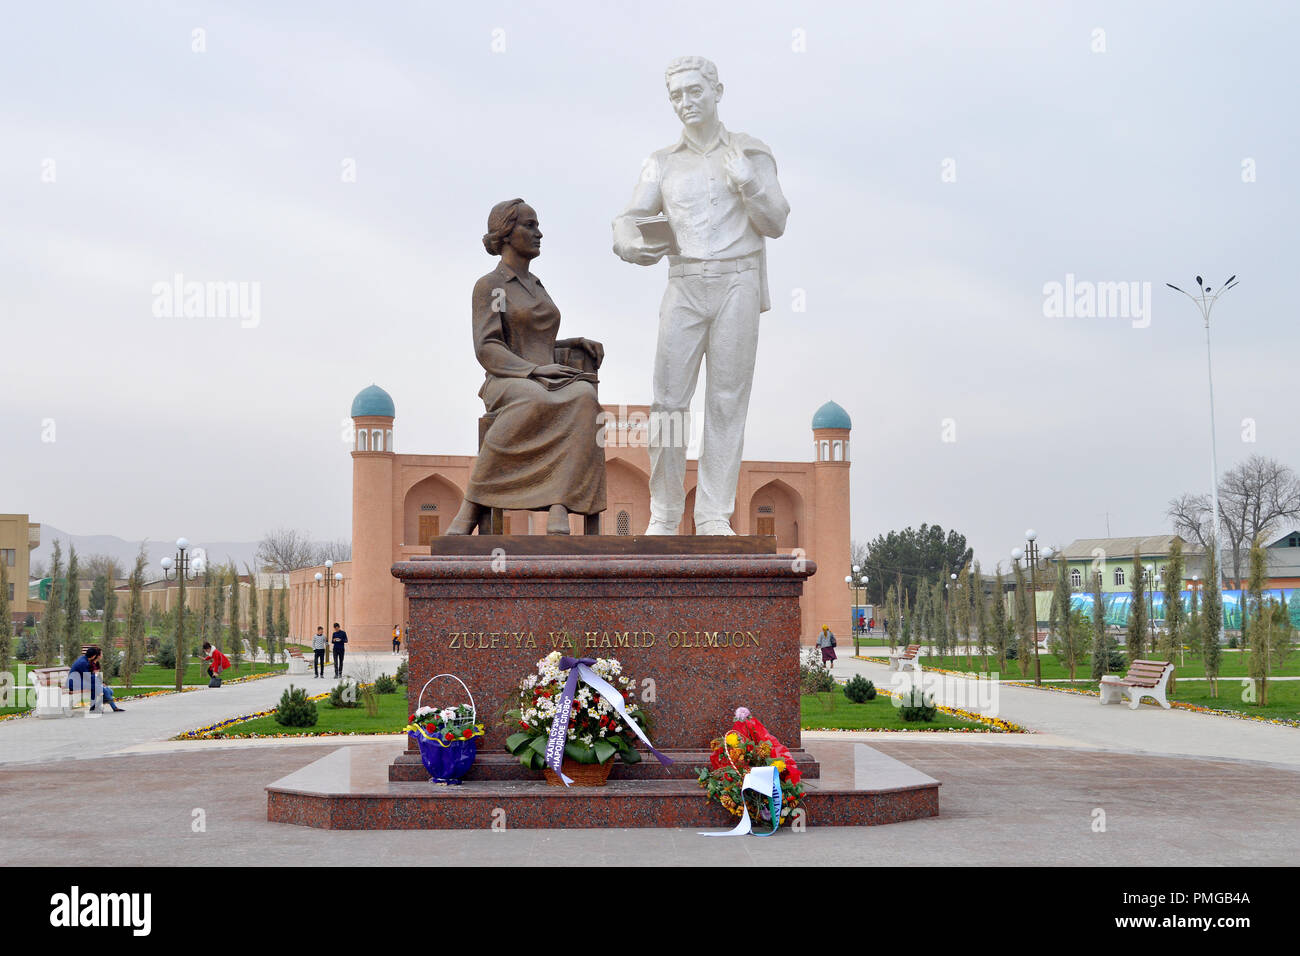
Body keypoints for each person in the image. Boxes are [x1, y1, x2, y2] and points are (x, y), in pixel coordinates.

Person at [613, 56, 789, 535]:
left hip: (738, 280)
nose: (685, 103)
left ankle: (713, 513)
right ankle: (666, 512)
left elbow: (776, 220)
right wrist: (627, 239)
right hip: (685, 282)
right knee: (668, 402)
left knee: (727, 401)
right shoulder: (662, 163)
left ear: (717, 91)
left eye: (694, 91)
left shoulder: (751, 153)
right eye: (676, 96)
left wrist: (748, 183)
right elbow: (631, 216)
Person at [444, 198, 607, 535]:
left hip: (550, 377)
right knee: (534, 399)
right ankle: (473, 504)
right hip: (507, 379)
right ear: (506, 232)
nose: (539, 233)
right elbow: (488, 346)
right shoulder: (491, 286)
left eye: (538, 225)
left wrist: (572, 344)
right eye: (530, 226)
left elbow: (536, 338)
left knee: (585, 399)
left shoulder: (536, 286)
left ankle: (561, 504)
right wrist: (533, 371)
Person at [67, 646, 123, 713]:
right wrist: (99, 683)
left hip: (79, 681)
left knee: (103, 689)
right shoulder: (83, 662)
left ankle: (94, 706)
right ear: (93, 656)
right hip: (74, 684)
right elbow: (89, 677)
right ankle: (98, 706)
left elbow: (89, 676)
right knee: (98, 688)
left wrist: (99, 682)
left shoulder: (84, 659)